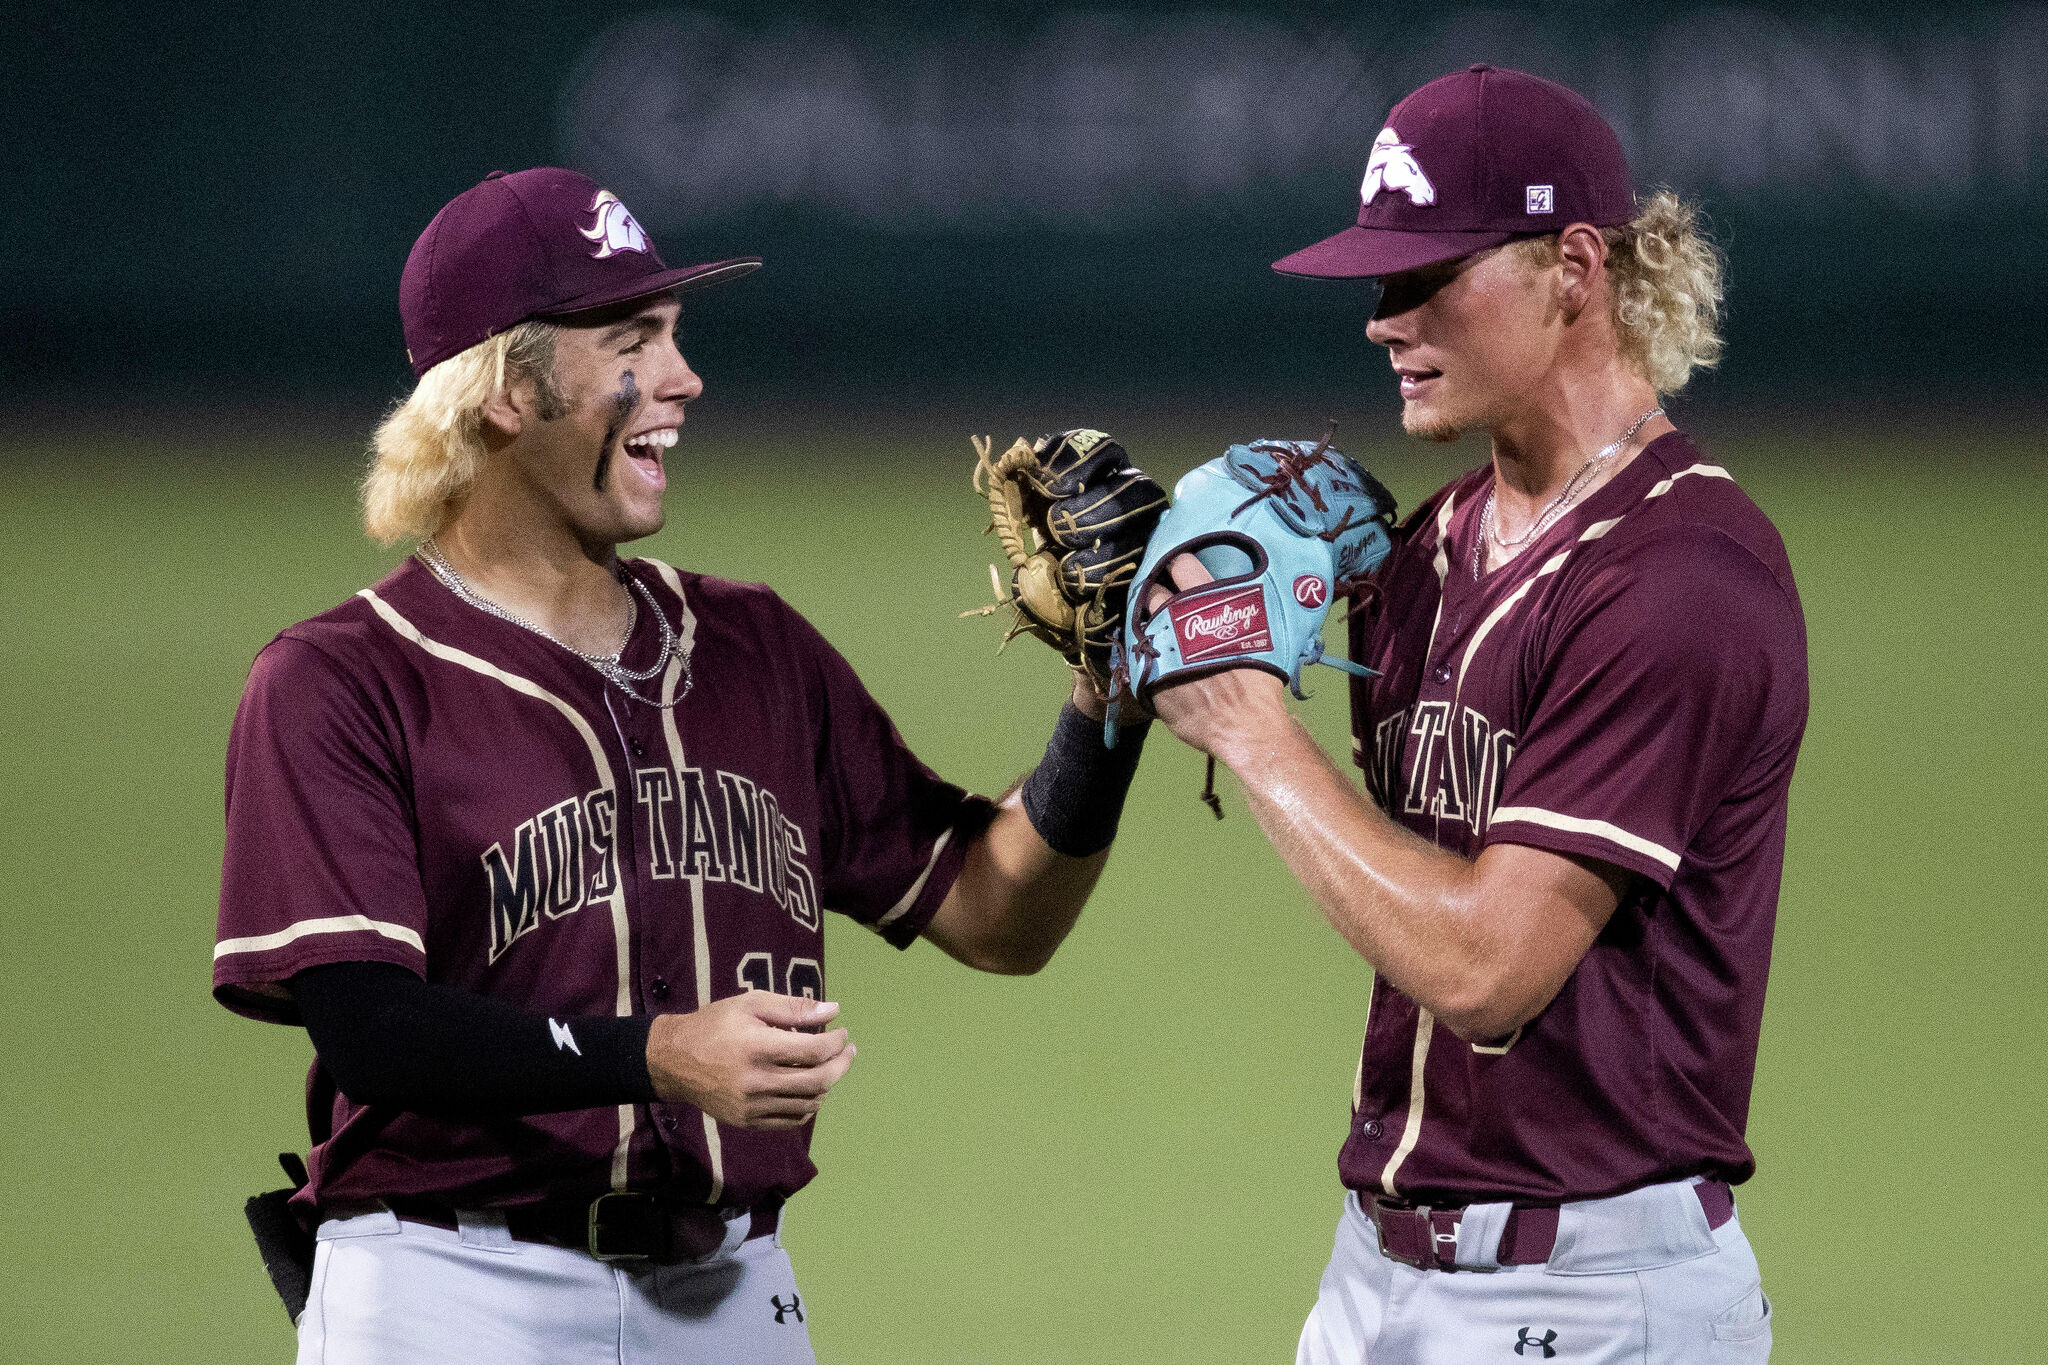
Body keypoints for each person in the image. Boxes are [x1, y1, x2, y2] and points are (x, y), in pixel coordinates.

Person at [211, 167, 1152, 1364]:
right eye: (632, 341)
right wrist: (656, 1055)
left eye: (674, 335)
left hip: (731, 1289)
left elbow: (993, 912)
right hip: (449, 1287)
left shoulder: (756, 647)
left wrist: (1106, 707)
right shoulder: (343, 680)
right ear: (505, 390)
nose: (681, 378)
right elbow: (367, 1029)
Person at [1143, 67, 1805, 1362]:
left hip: (1596, 1294)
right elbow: (1396, 880)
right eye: (1378, 286)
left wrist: (1252, 724)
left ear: (1573, 268)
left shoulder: (1680, 578)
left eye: (1427, 276)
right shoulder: (1428, 552)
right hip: (1378, 1271)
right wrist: (1127, 654)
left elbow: (1487, 972)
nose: (1384, 322)